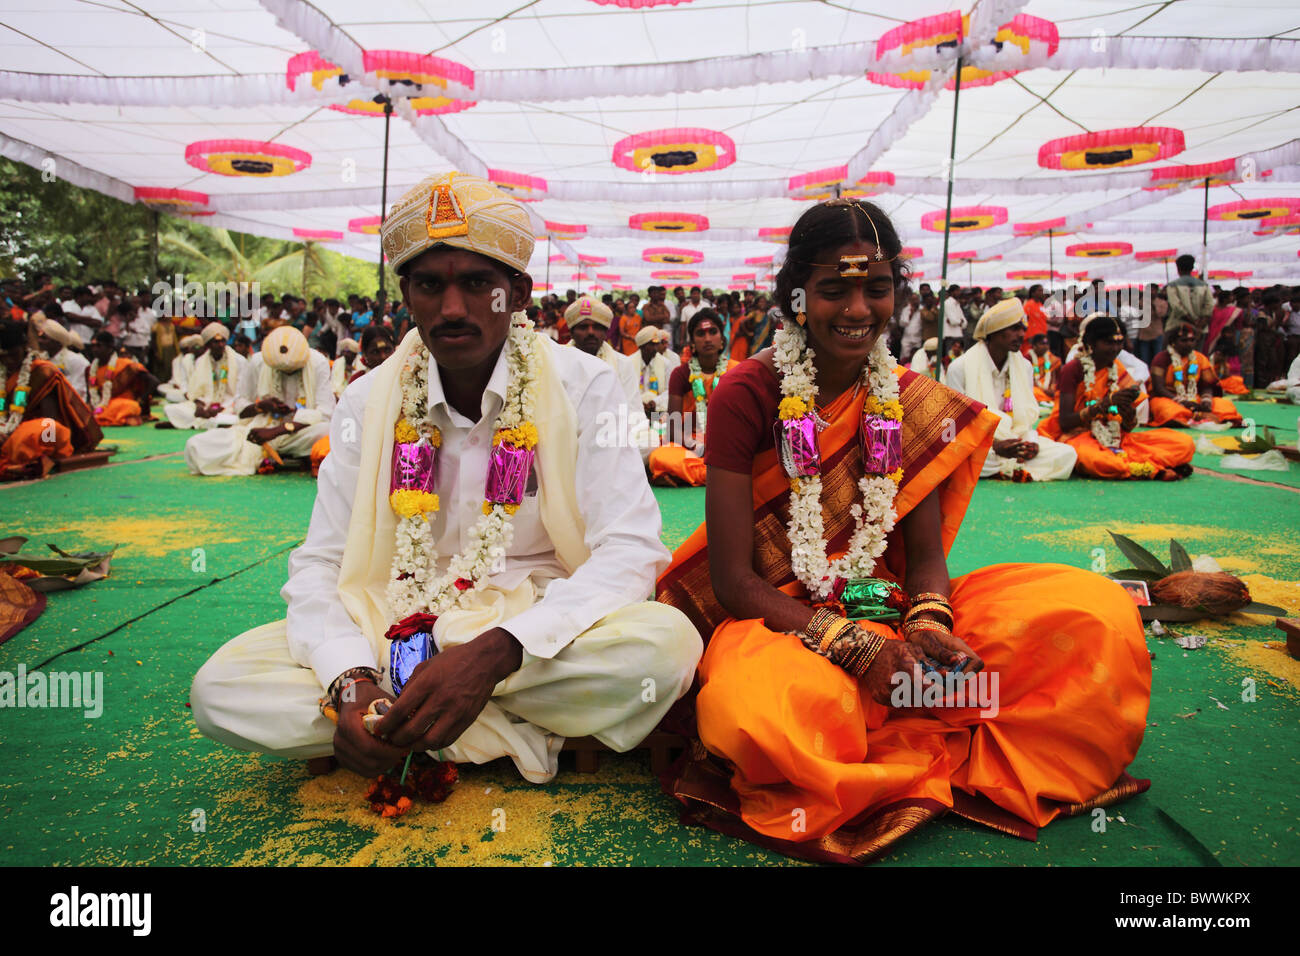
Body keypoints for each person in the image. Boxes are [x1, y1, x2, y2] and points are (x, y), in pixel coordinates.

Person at [656, 198, 1151, 864]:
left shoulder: (907, 397)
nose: (859, 309)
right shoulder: (746, 393)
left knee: (1098, 618)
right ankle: (909, 720)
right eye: (835, 289)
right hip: (782, 625)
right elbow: (734, 582)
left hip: (890, 612)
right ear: (796, 297)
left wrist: (928, 625)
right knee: (764, 711)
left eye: (878, 288)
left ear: (899, 293)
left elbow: (922, 560)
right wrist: (853, 649)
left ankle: (906, 707)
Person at [189, 171, 701, 784]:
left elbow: (629, 548)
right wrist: (350, 681)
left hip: (531, 635)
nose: (453, 308)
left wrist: (495, 651)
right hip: (388, 627)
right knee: (220, 688)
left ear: (517, 292)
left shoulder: (582, 387)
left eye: (477, 283)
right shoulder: (366, 401)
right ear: (407, 294)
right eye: (430, 285)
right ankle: (483, 728)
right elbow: (322, 563)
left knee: (665, 648)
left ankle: (409, 726)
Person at [1040, 316, 1195, 479]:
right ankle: (1154, 469)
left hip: (1115, 437)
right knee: (1100, 462)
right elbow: (1065, 422)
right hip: (1075, 435)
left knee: (1184, 443)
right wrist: (1105, 405)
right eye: (1108, 342)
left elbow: (1128, 427)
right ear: (1091, 343)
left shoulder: (1118, 370)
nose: (1115, 348)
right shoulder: (1073, 369)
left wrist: (1128, 413)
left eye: (1119, 342)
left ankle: (1145, 465)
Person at [946, 300, 1077, 481]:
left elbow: (1026, 421)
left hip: (1016, 443)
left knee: (1067, 454)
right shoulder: (959, 368)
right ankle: (1008, 465)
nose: (1022, 334)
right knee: (957, 458)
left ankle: (1010, 464)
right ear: (994, 332)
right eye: (1014, 329)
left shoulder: (1024, 367)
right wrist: (994, 446)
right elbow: (955, 425)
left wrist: (1032, 443)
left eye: (1022, 328)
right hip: (977, 447)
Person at [183, 325, 333, 476]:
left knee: (327, 430)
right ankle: (278, 455)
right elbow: (240, 405)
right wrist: (261, 406)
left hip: (300, 432)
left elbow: (326, 412)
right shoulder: (259, 361)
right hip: (257, 431)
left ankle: (280, 453)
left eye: (293, 371)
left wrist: (275, 431)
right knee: (195, 445)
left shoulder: (318, 362)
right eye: (280, 371)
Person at [0, 318, 102, 477]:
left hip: (40, 436)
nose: (8, 361)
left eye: (13, 355)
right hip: (6, 433)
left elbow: (50, 421)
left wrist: (17, 436)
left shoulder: (43, 372)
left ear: (25, 346)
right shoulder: (2, 371)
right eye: (2, 357)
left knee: (36, 431)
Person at [647, 308, 737, 487]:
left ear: (722, 340)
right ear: (692, 342)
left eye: (713, 332)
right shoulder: (681, 374)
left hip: (728, 443)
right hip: (691, 444)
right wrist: (698, 447)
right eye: (700, 333)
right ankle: (719, 475)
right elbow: (673, 426)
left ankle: (687, 475)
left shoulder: (736, 371)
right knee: (659, 457)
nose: (707, 338)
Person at [1147, 323, 1243, 427]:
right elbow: (1158, 388)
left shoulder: (1200, 358)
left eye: (1192, 340)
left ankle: (1197, 416)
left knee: (1224, 405)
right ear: (1173, 342)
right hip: (1168, 398)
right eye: (1184, 340)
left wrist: (1206, 401)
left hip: (1194, 399)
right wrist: (1182, 401)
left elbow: (1207, 385)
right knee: (1168, 411)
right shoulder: (1161, 358)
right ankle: (1192, 417)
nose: (1189, 344)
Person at [163, 322, 244, 430]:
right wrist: (200, 406)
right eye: (216, 342)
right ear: (208, 345)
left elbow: (240, 392)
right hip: (206, 403)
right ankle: (208, 421)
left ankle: (194, 422)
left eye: (222, 341)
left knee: (234, 414)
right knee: (171, 409)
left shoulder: (238, 361)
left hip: (229, 404)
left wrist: (221, 407)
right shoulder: (201, 361)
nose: (220, 345)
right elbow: (196, 390)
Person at [564, 297, 640, 408]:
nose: (590, 332)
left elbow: (634, 410)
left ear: (606, 333)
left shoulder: (622, 363)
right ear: (571, 332)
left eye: (597, 327)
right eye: (583, 327)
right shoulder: (555, 362)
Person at [87, 331, 158, 426]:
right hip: (100, 404)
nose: (95, 349)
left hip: (122, 404)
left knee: (130, 406)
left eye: (99, 345)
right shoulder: (91, 369)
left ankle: (102, 416)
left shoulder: (126, 364)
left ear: (110, 346)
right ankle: (103, 416)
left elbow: (154, 381)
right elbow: (91, 393)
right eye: (93, 346)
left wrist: (141, 400)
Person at [34, 315, 91, 406]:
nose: (39, 341)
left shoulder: (76, 360)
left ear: (56, 341)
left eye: (44, 338)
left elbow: (79, 391)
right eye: (39, 337)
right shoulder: (40, 360)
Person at [1164, 254, 1214, 339]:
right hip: (1200, 329)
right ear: (1192, 268)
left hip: (1177, 327)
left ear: (1178, 268)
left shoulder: (1172, 286)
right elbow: (1209, 306)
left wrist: (1192, 321)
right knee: (1197, 352)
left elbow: (1177, 307)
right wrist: (1200, 325)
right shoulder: (1204, 286)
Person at [159, 334, 202, 403]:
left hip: (199, 392)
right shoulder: (181, 359)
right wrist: (181, 388)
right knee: (164, 389)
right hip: (183, 389)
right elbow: (179, 378)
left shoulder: (203, 359)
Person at [1028, 333, 1060, 402]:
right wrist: (1043, 390)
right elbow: (1028, 380)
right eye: (1042, 344)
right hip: (1035, 388)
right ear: (1034, 346)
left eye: (1047, 344)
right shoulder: (1027, 358)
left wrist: (1052, 389)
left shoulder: (1052, 359)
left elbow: (1054, 376)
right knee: (1033, 392)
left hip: (1048, 389)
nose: (1045, 346)